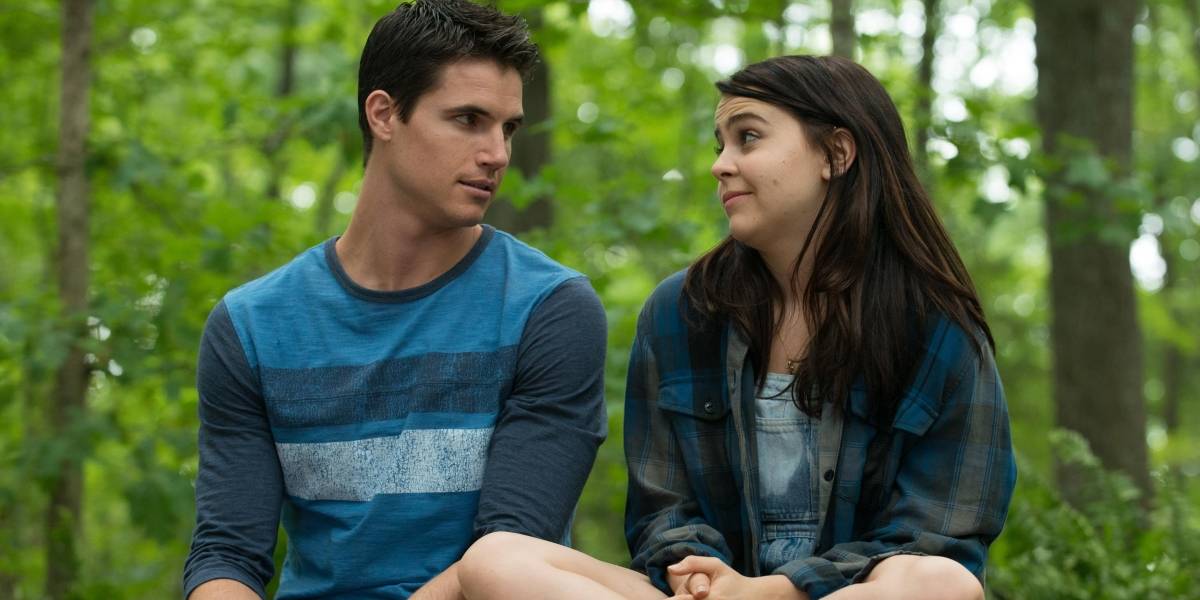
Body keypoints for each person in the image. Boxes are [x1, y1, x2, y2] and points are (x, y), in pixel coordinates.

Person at [453, 55, 1015, 600]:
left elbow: (939, 536)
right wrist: (699, 579)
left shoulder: (938, 328)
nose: (721, 165)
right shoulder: (680, 312)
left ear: (837, 153)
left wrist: (773, 591)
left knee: (941, 583)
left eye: (748, 138)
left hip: (842, 595)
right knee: (497, 558)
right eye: (720, 144)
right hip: (708, 595)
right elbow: (662, 511)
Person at [182, 1, 607, 598]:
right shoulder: (251, 325)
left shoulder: (551, 309)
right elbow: (226, 552)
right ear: (383, 114)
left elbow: (509, 552)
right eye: (468, 119)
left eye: (507, 128)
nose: (497, 153)